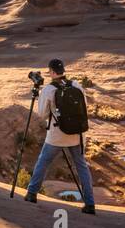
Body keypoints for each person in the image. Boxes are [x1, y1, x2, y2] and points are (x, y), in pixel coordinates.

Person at [23, 58, 96, 214]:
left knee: (43, 162)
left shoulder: (49, 90)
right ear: (63, 71)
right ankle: (90, 204)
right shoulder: (76, 85)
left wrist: (38, 96)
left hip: (57, 135)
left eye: (49, 71)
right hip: (77, 135)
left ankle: (31, 194)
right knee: (82, 167)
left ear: (53, 72)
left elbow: (42, 114)